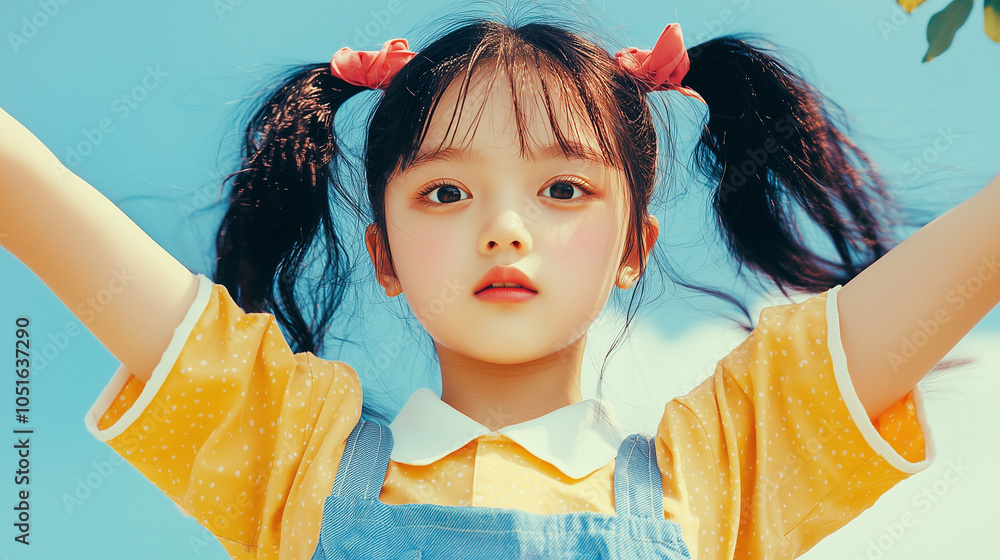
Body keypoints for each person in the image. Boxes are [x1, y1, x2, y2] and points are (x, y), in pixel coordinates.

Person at [2, 12, 998, 560]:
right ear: (382, 254)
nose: (505, 226)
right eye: (444, 190)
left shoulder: (724, 469)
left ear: (631, 247)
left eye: (562, 185)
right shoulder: (289, 447)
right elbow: (35, 196)